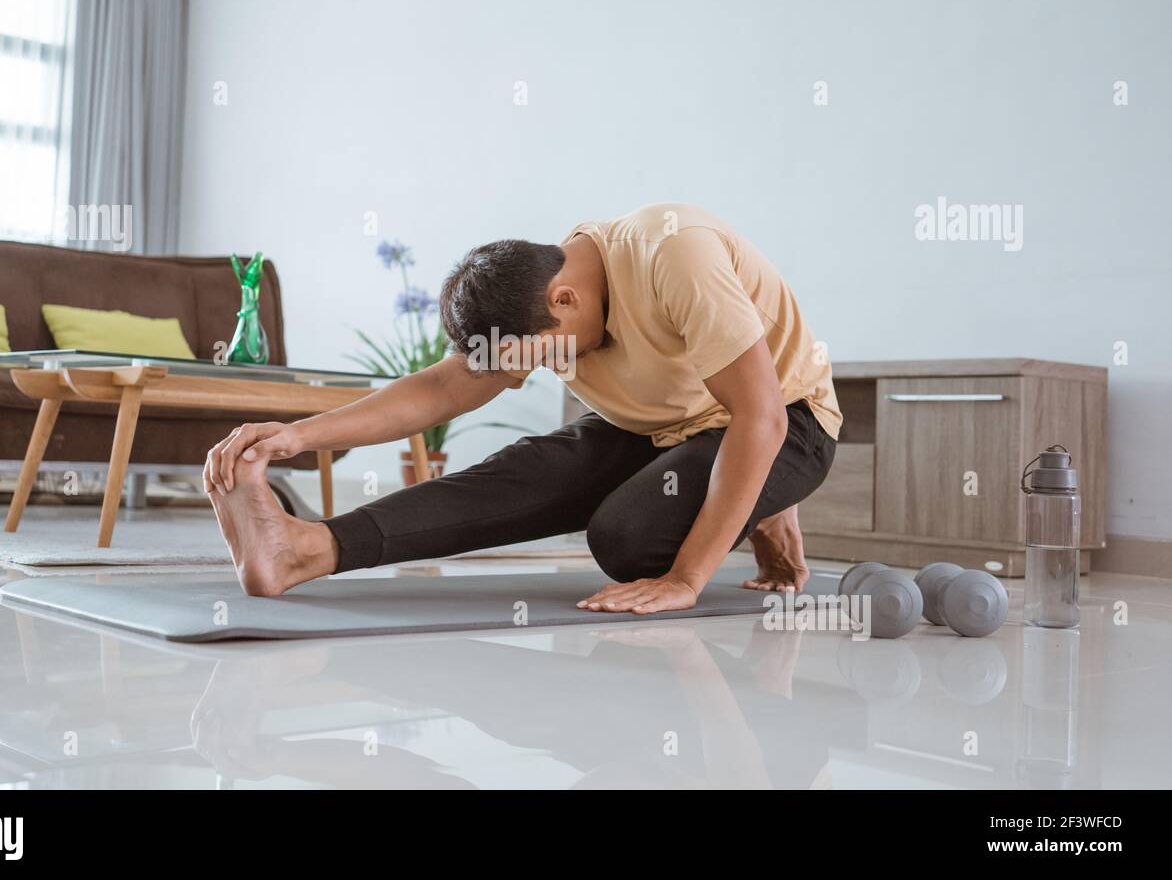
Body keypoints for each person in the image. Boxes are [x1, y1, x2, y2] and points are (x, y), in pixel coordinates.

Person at [203, 202, 840, 613]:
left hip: (787, 421)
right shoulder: (537, 301)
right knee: (522, 471)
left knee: (629, 538)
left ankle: (763, 500)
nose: (528, 368)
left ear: (563, 301)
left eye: (532, 356)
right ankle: (305, 550)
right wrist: (296, 436)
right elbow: (444, 389)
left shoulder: (676, 255)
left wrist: (686, 580)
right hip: (662, 426)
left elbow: (761, 417)